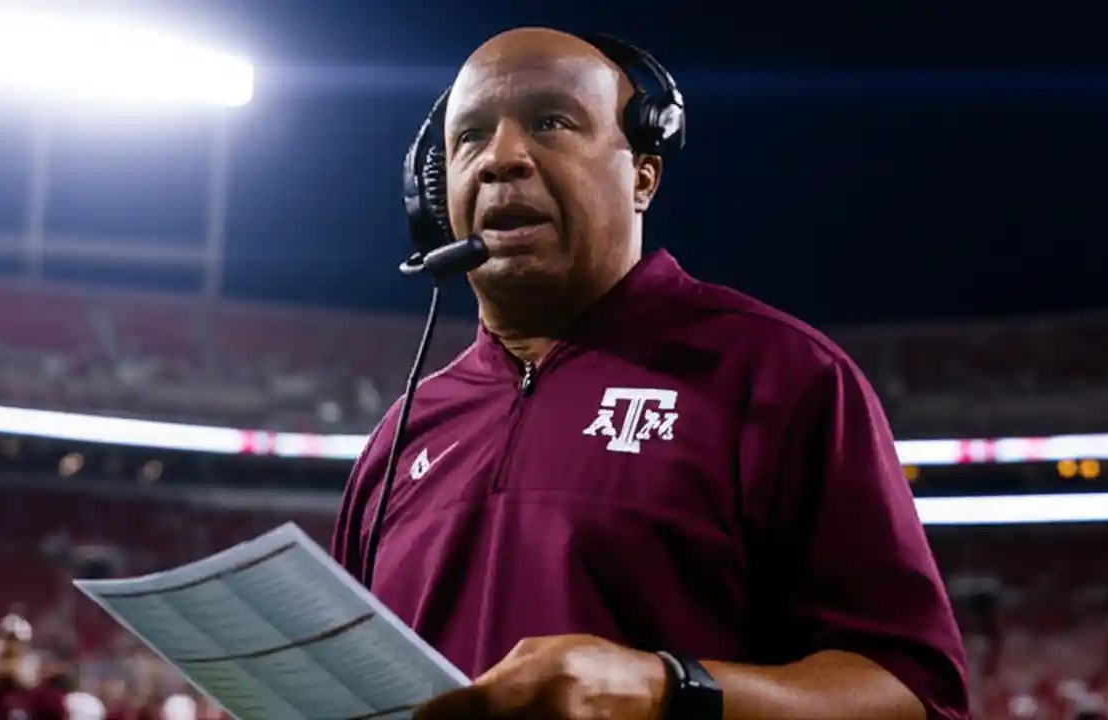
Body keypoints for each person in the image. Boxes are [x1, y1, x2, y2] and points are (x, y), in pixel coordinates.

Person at [331, 26, 970, 719]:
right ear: (433, 193)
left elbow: (918, 697)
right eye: (471, 137)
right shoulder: (402, 436)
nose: (502, 158)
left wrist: (670, 690)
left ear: (642, 174)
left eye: (551, 122)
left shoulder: (781, 376)